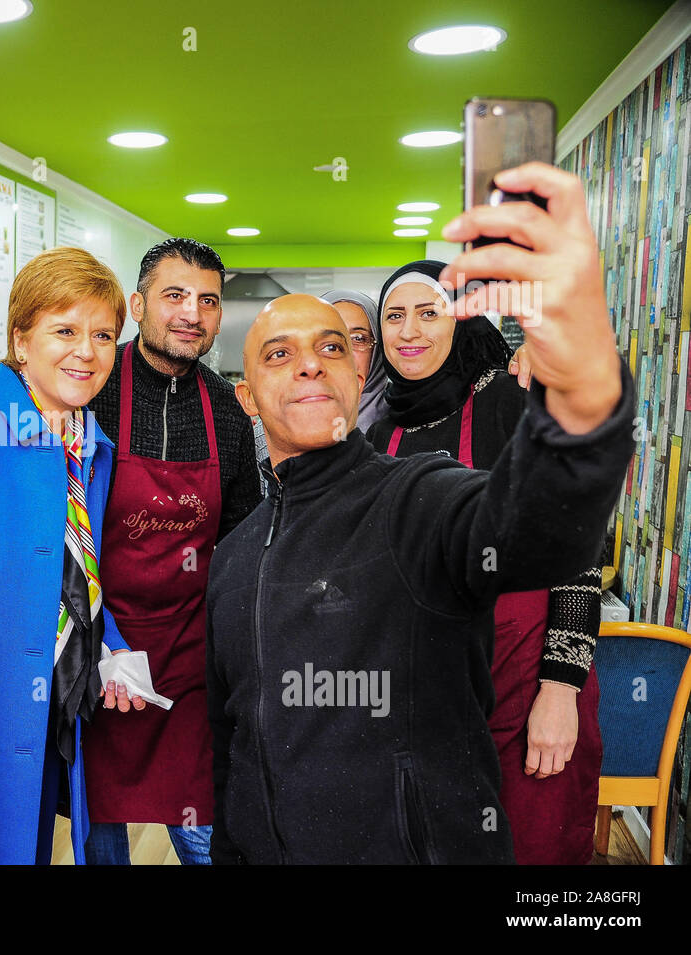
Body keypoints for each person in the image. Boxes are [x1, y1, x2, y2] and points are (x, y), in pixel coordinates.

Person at [206, 162, 634, 864]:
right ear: (247, 396)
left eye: (333, 348)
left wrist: (585, 392)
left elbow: (555, 529)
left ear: (353, 373)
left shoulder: (429, 475)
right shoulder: (239, 554)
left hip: (516, 690)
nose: (311, 366)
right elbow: (238, 743)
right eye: (279, 354)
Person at [365, 259, 604, 865]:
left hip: (523, 686)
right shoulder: (383, 426)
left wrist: (560, 688)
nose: (409, 331)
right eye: (395, 315)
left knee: (529, 853)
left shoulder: (512, 400)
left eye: (429, 312)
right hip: (427, 697)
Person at [0, 246, 150, 865]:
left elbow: (76, 568)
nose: (87, 351)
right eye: (65, 331)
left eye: (104, 335)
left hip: (60, 708)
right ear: (21, 340)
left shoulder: (89, 443)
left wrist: (112, 644)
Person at [81, 238, 261, 866]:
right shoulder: (93, 391)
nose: (192, 312)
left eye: (208, 300)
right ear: (137, 305)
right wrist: (99, 641)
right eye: (175, 296)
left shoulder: (227, 411)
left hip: (191, 653)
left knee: (204, 830)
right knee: (97, 827)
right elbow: (57, 534)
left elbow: (240, 542)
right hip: (97, 641)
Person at [318, 289, 387, 433]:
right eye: (330, 344)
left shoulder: (410, 422)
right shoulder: (282, 421)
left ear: (378, 348)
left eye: (358, 338)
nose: (346, 352)